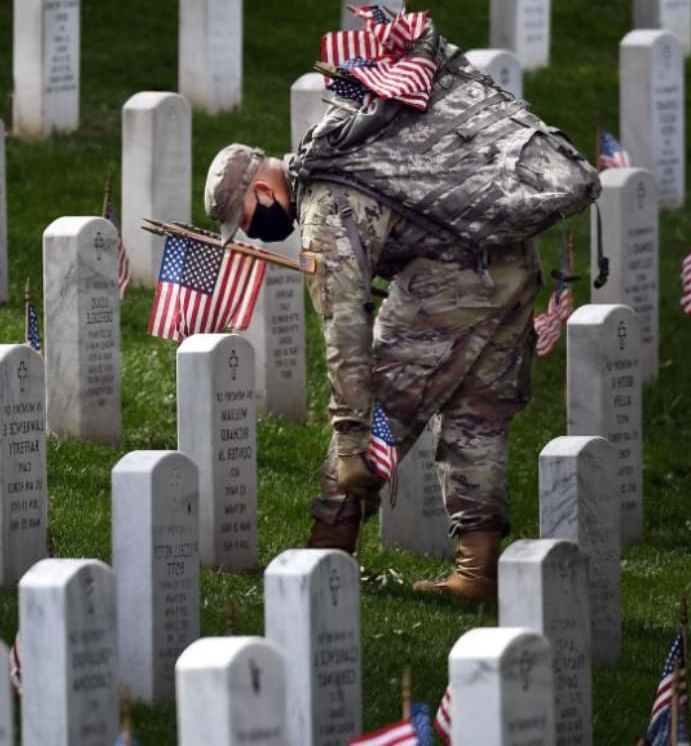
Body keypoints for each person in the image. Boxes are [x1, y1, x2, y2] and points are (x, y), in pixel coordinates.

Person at [202, 142, 543, 603]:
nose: (248, 231)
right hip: (511, 259)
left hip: (451, 279)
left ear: (262, 188)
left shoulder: (323, 208)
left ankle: (323, 563)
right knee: (476, 416)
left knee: (379, 409)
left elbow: (345, 334)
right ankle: (476, 571)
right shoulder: (342, 159)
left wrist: (349, 441)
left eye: (243, 218)